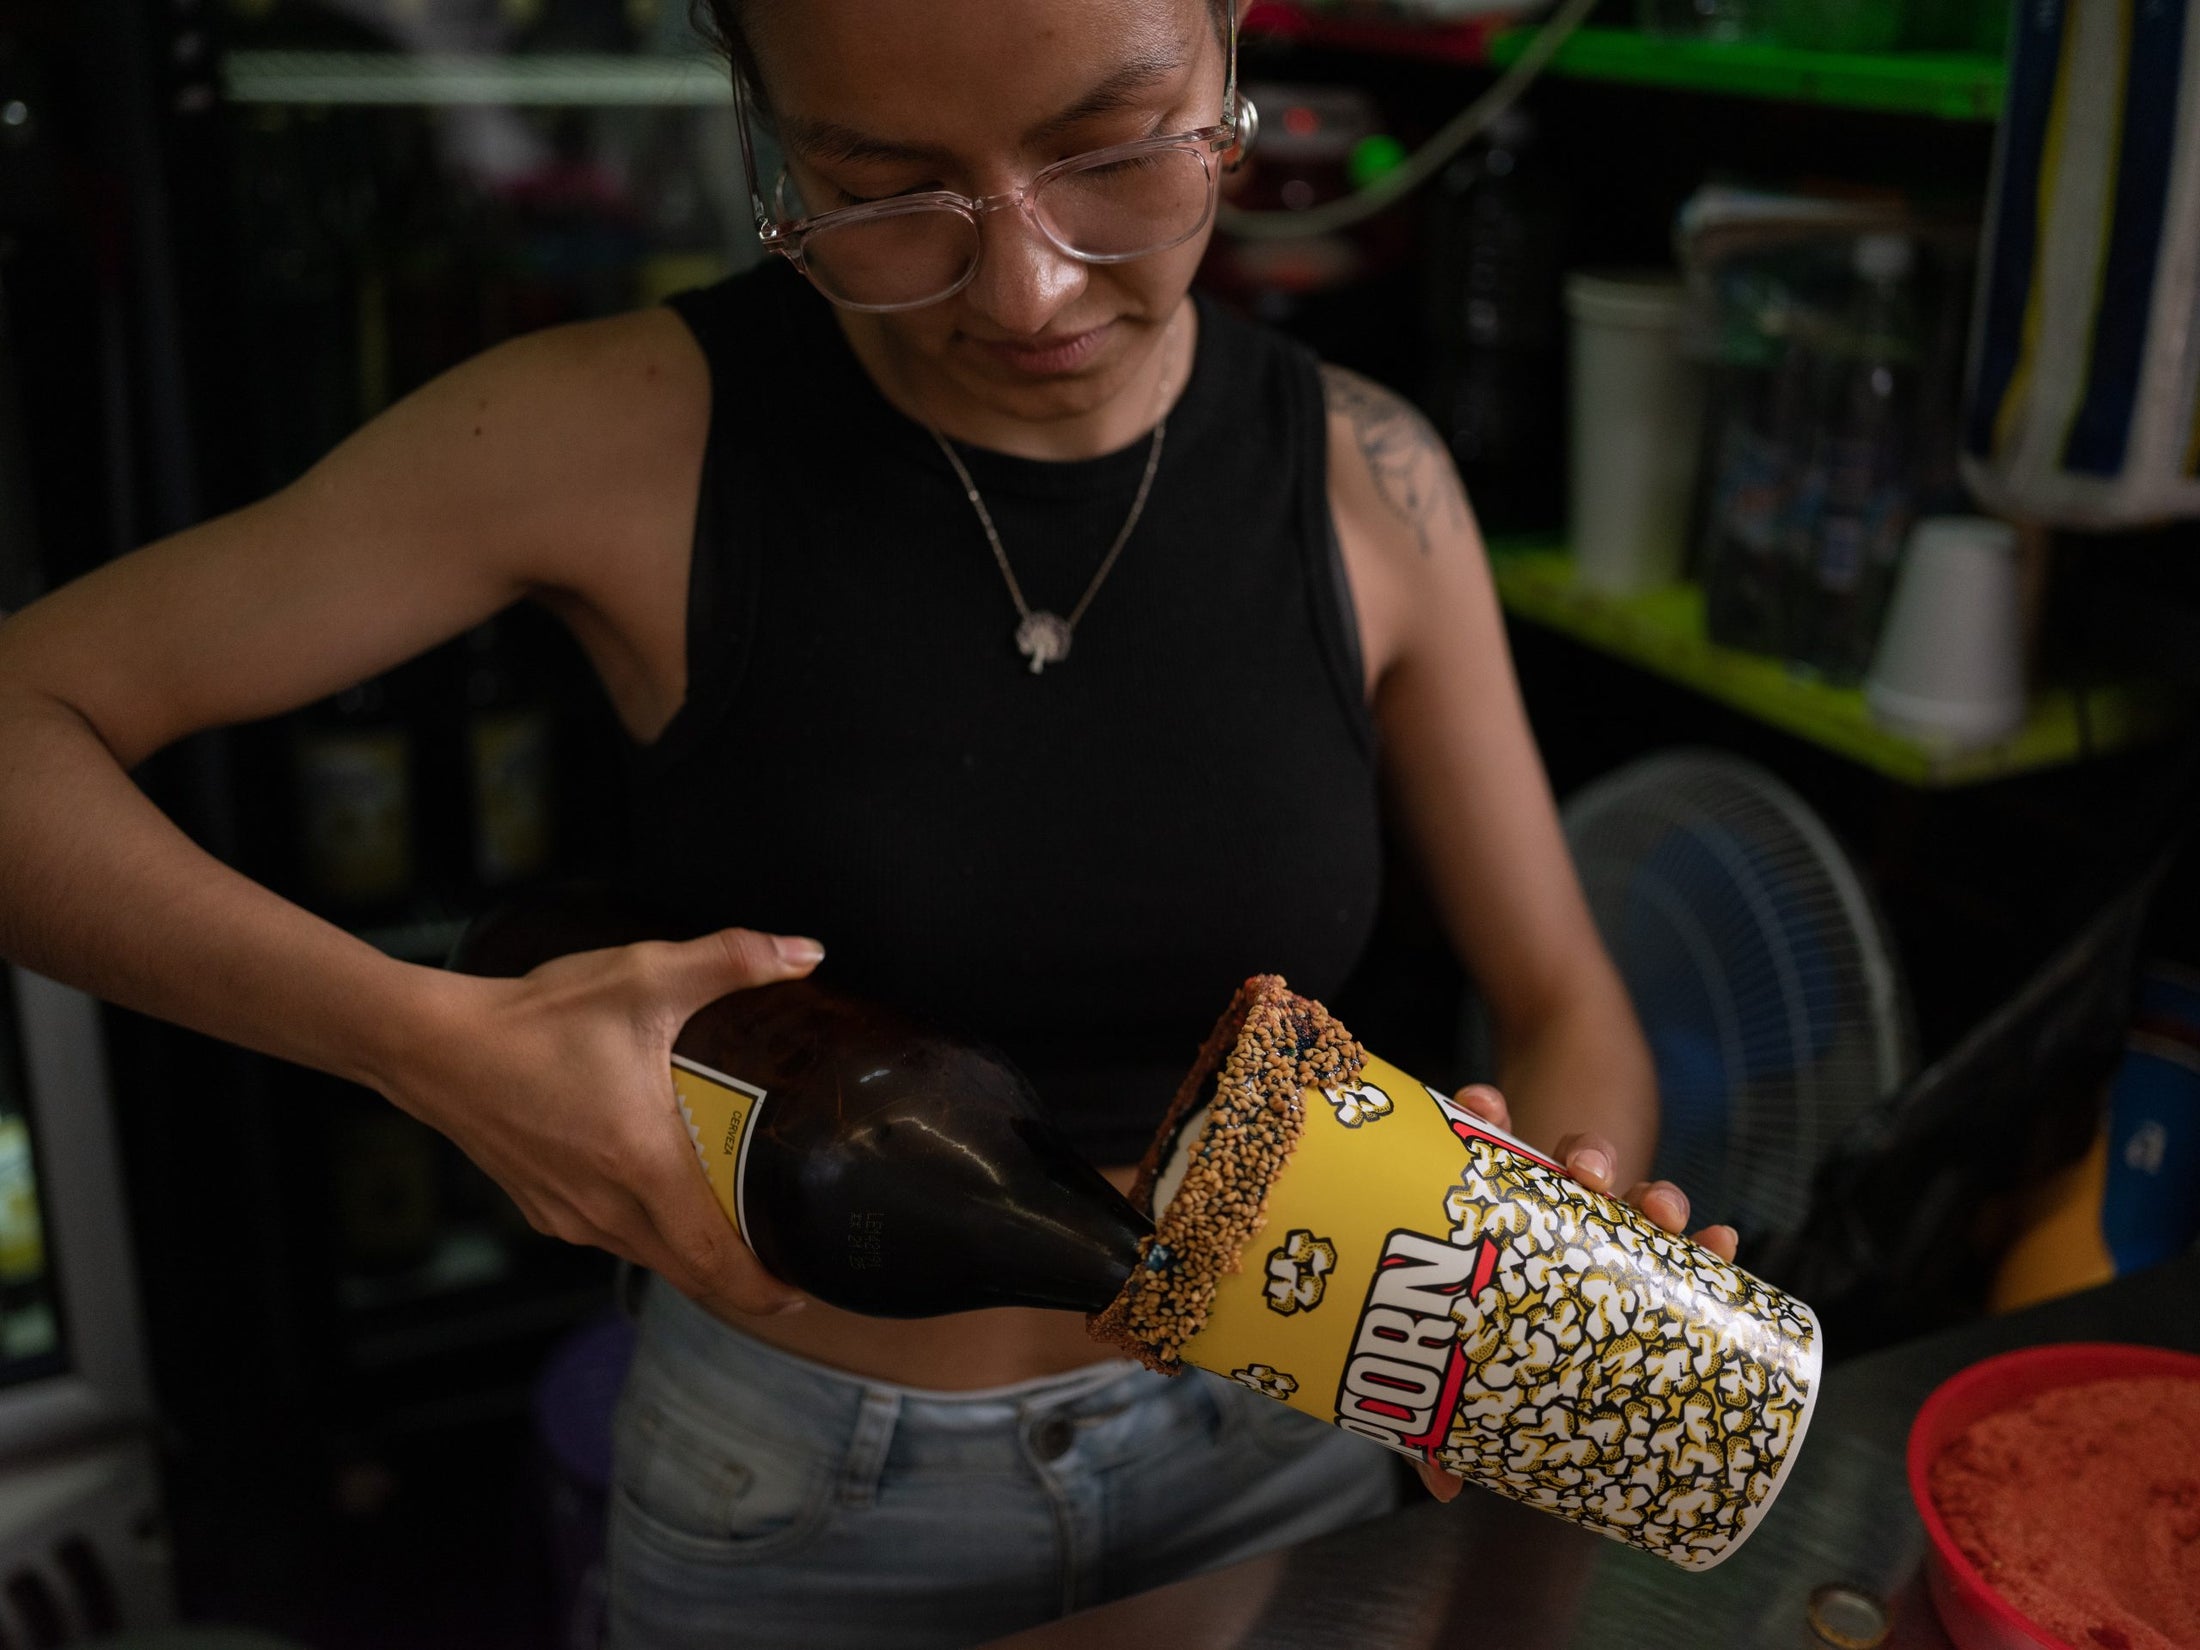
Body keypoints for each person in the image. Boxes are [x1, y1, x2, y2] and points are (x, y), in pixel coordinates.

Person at [0, 0, 1737, 1643]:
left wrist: (1542, 1282)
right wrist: (424, 1044)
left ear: (1229, 53)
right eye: (879, 190)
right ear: (767, 138)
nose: (1028, 285)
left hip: (1281, 1447)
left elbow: (1564, 992)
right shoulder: (611, 429)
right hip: (808, 1494)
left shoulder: (1371, 478)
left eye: (1116, 151)